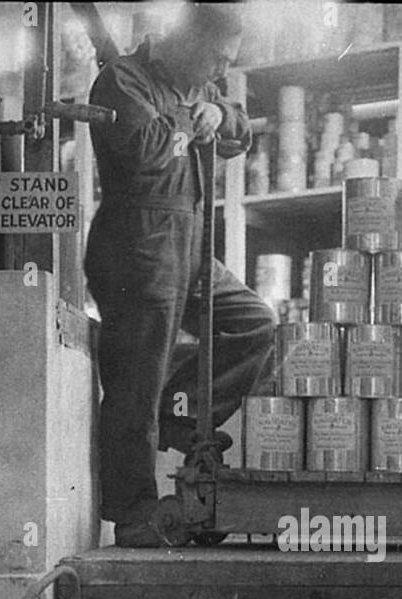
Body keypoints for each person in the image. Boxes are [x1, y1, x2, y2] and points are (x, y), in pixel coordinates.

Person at [85, 2, 276, 547]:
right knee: (133, 385)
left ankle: (180, 414)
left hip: (188, 247)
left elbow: (240, 131)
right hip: (138, 247)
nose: (220, 72)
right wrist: (197, 120)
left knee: (254, 323)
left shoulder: (195, 85)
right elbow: (147, 151)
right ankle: (133, 513)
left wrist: (222, 116)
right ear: (188, 43)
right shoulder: (122, 79)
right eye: (217, 59)